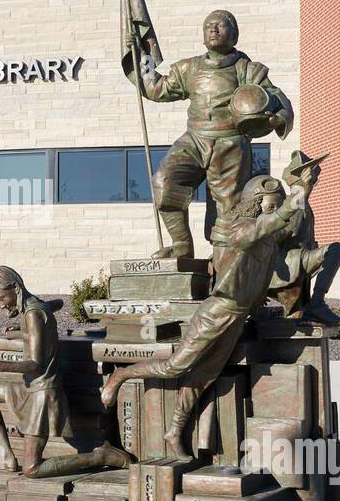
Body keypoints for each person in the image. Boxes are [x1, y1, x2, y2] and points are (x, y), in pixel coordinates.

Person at [101, 166, 320, 457]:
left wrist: (305, 188)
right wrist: (293, 200)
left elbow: (289, 225)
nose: (276, 206)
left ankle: (174, 431)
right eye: (272, 201)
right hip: (217, 311)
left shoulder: (268, 237)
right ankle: (122, 376)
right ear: (256, 199)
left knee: (205, 376)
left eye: (279, 201)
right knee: (175, 367)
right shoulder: (240, 228)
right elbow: (265, 226)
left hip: (239, 315)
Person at [127, 9, 293, 258]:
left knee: (227, 215)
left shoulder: (248, 70)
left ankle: (223, 269)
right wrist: (139, 57)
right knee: (164, 182)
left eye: (220, 25)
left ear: (234, 35)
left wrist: (277, 118)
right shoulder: (189, 68)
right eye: (208, 26)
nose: (213, 29)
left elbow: (280, 100)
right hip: (194, 140)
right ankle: (181, 248)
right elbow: (156, 88)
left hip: (231, 145)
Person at [0, 266, 70, 473]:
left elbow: (36, 364)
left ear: (15, 288)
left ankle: (101, 456)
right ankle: (7, 456)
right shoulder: (33, 309)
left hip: (41, 394)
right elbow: (56, 303)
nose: (0, 305)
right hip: (28, 387)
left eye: (1, 299)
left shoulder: (33, 313)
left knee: (32, 469)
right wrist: (24, 330)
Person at [267, 150, 340, 326]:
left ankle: (316, 302)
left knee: (335, 250)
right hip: (290, 262)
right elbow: (280, 233)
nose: (315, 177)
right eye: (311, 173)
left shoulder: (303, 203)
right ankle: (316, 303)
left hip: (302, 258)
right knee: (336, 249)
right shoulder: (292, 203)